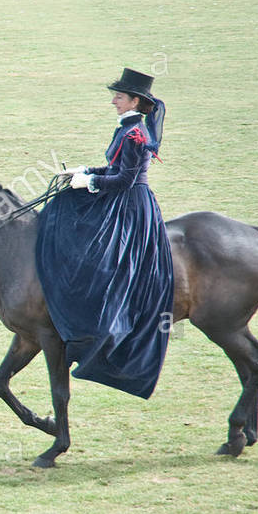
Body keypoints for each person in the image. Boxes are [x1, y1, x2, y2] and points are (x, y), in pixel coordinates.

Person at [35, 68, 174, 399]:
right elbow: (114, 168)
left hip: (130, 203)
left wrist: (92, 182)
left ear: (135, 101)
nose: (113, 100)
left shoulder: (136, 133)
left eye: (119, 96)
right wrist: (84, 171)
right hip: (117, 195)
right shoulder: (127, 128)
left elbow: (125, 179)